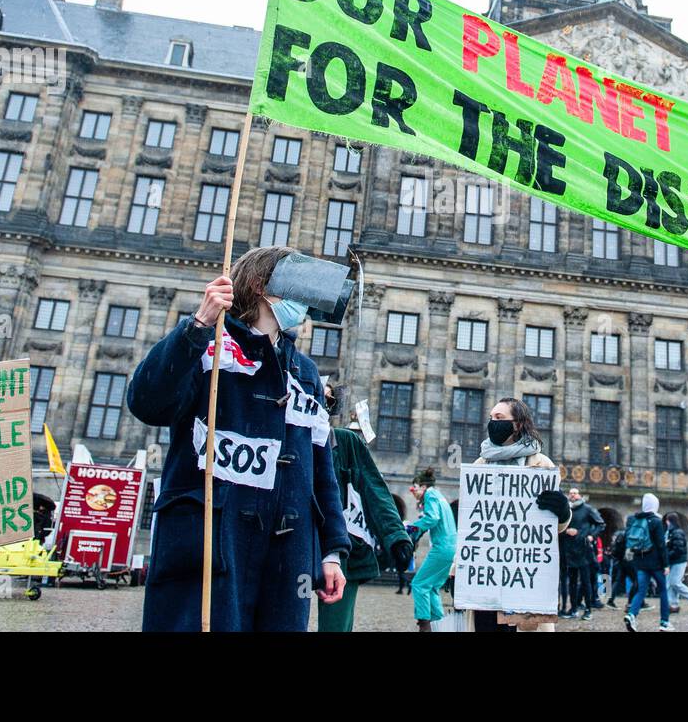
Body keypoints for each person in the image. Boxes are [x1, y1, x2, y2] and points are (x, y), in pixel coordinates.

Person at [128, 247, 350, 631]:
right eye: (297, 286)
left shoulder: (306, 374)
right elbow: (148, 403)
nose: (304, 300)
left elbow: (321, 471)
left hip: (287, 554)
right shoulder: (207, 346)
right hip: (212, 538)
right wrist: (198, 325)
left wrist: (332, 550)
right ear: (260, 285)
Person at [472, 396, 571, 632]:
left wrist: (562, 511)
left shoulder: (541, 464)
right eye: (491, 418)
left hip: (523, 572)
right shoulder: (480, 464)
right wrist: (458, 569)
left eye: (499, 418)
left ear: (517, 424)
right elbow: (471, 525)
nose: (492, 422)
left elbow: (556, 527)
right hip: (487, 572)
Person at [317, 400, 413, 632]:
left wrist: (396, 535)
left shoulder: (345, 441)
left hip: (343, 544)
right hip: (292, 539)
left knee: (335, 624)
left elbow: (374, 489)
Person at [408, 467, 456, 631]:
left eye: (414, 488)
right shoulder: (439, 495)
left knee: (419, 584)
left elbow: (432, 518)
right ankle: (438, 625)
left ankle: (424, 625)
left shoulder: (430, 495)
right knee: (432, 586)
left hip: (442, 547)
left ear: (423, 486)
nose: (413, 492)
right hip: (451, 548)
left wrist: (413, 528)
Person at [623, 493, 671, 632]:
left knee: (641, 591)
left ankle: (631, 614)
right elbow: (661, 545)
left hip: (640, 562)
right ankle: (664, 622)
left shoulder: (635, 519)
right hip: (656, 564)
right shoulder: (656, 521)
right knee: (663, 591)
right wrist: (666, 564)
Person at [561, 486, 603, 620]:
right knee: (572, 582)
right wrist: (565, 530)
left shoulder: (587, 509)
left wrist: (591, 536)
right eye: (570, 493)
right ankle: (573, 609)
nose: (572, 495)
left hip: (584, 550)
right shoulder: (566, 510)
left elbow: (600, 524)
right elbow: (560, 526)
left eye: (575, 493)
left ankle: (588, 610)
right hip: (569, 550)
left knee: (586, 581)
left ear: (579, 495)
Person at [664, 514, 688, 613]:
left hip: (679, 561)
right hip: (674, 561)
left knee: (675, 582)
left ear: (671, 521)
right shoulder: (671, 532)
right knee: (671, 583)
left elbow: (678, 549)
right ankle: (674, 605)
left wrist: (667, 556)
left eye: (667, 521)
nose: (666, 523)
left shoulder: (677, 532)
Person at [606, 528, 635, 608]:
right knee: (636, 581)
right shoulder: (630, 533)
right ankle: (631, 603)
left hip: (620, 561)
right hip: (628, 561)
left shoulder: (621, 533)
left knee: (617, 581)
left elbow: (615, 550)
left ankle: (610, 601)